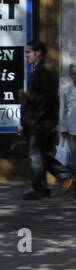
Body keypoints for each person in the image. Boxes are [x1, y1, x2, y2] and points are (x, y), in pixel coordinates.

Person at [19, 40, 73, 199]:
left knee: (36, 153)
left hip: (40, 120)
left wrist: (33, 116)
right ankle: (63, 175)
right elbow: (40, 96)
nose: (27, 55)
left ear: (38, 53)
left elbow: (48, 98)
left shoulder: (46, 70)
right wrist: (27, 99)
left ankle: (41, 188)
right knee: (38, 153)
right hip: (39, 118)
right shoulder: (40, 69)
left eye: (29, 52)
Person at [61, 63, 76, 191]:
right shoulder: (65, 89)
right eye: (73, 74)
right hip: (72, 131)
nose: (75, 76)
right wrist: (63, 129)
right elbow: (63, 110)